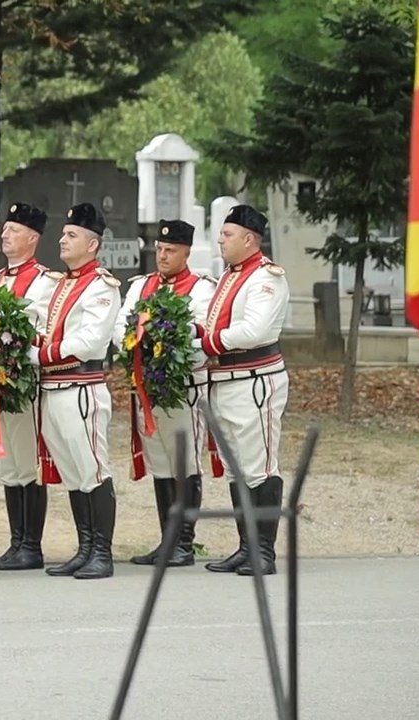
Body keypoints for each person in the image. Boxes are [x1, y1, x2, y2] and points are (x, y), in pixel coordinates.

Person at [192, 205, 290, 576]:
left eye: (227, 234)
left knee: (259, 466)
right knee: (237, 470)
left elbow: (256, 331)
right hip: (227, 382)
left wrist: (206, 343)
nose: (220, 239)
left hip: (254, 382)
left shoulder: (266, 278)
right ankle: (246, 545)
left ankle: (263, 551)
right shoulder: (231, 277)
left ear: (250, 239)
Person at [114, 219, 218, 567]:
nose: (162, 255)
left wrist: (167, 337)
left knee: (184, 462)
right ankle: (167, 539)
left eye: (170, 250)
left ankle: (184, 543)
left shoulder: (201, 288)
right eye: (159, 249)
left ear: (186, 251)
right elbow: (120, 326)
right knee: (160, 462)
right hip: (147, 386)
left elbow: (202, 330)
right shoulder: (141, 286)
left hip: (183, 387)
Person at [36, 203, 121, 580]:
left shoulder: (101, 285)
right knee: (72, 472)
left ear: (92, 244)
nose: (62, 240)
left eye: (71, 235)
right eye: (63, 233)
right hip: (53, 386)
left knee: (92, 469)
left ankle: (102, 551)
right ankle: (85, 546)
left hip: (81, 386)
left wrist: (43, 353)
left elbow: (90, 339)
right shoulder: (61, 284)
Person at [0, 202, 59, 572]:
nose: (4, 235)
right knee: (8, 464)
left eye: (13, 230)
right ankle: (15, 543)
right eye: (4, 229)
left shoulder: (46, 281)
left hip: (27, 384)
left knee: (27, 462)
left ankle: (32, 545)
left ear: (32, 237)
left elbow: (48, 328)